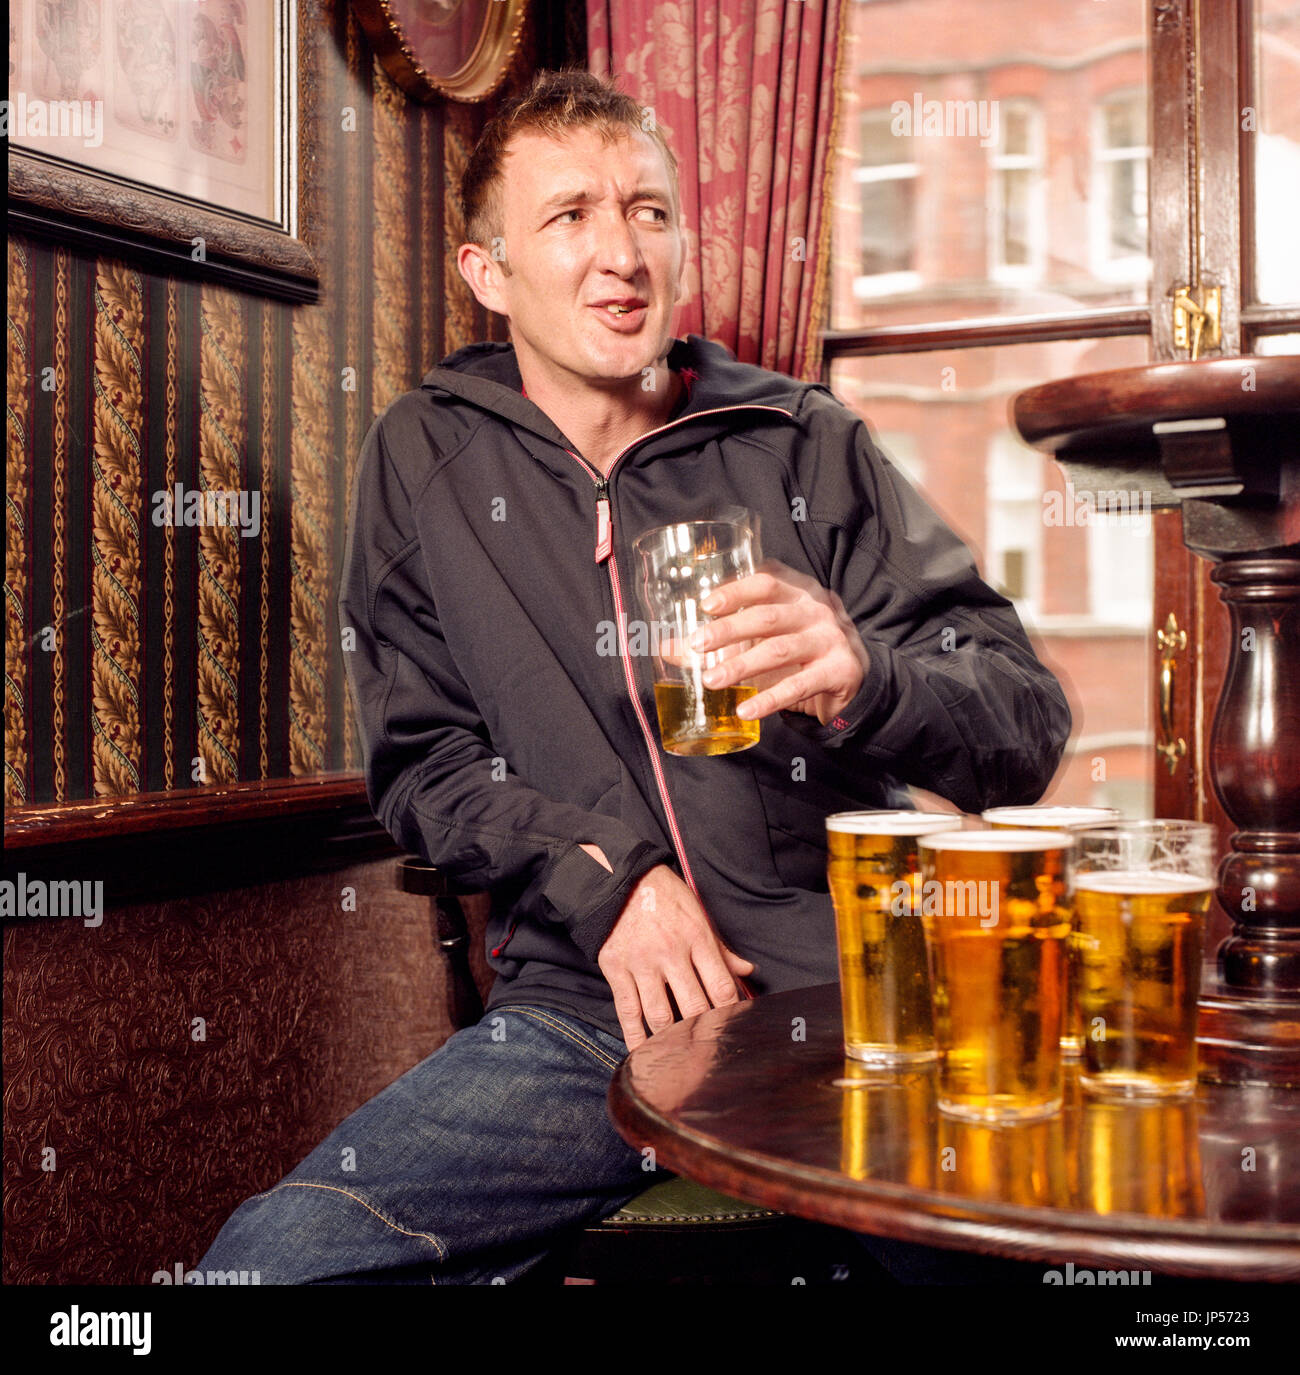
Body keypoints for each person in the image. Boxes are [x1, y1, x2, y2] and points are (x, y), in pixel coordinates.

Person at [197, 69, 1071, 1284]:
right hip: (584, 1009)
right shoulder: (424, 456)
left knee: (1026, 1261)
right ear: (488, 273)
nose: (622, 253)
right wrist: (604, 874)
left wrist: (865, 677)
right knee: (270, 1266)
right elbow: (424, 768)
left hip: (848, 1001)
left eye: (648, 210)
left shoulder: (800, 439)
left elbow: (1024, 725)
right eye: (571, 215)